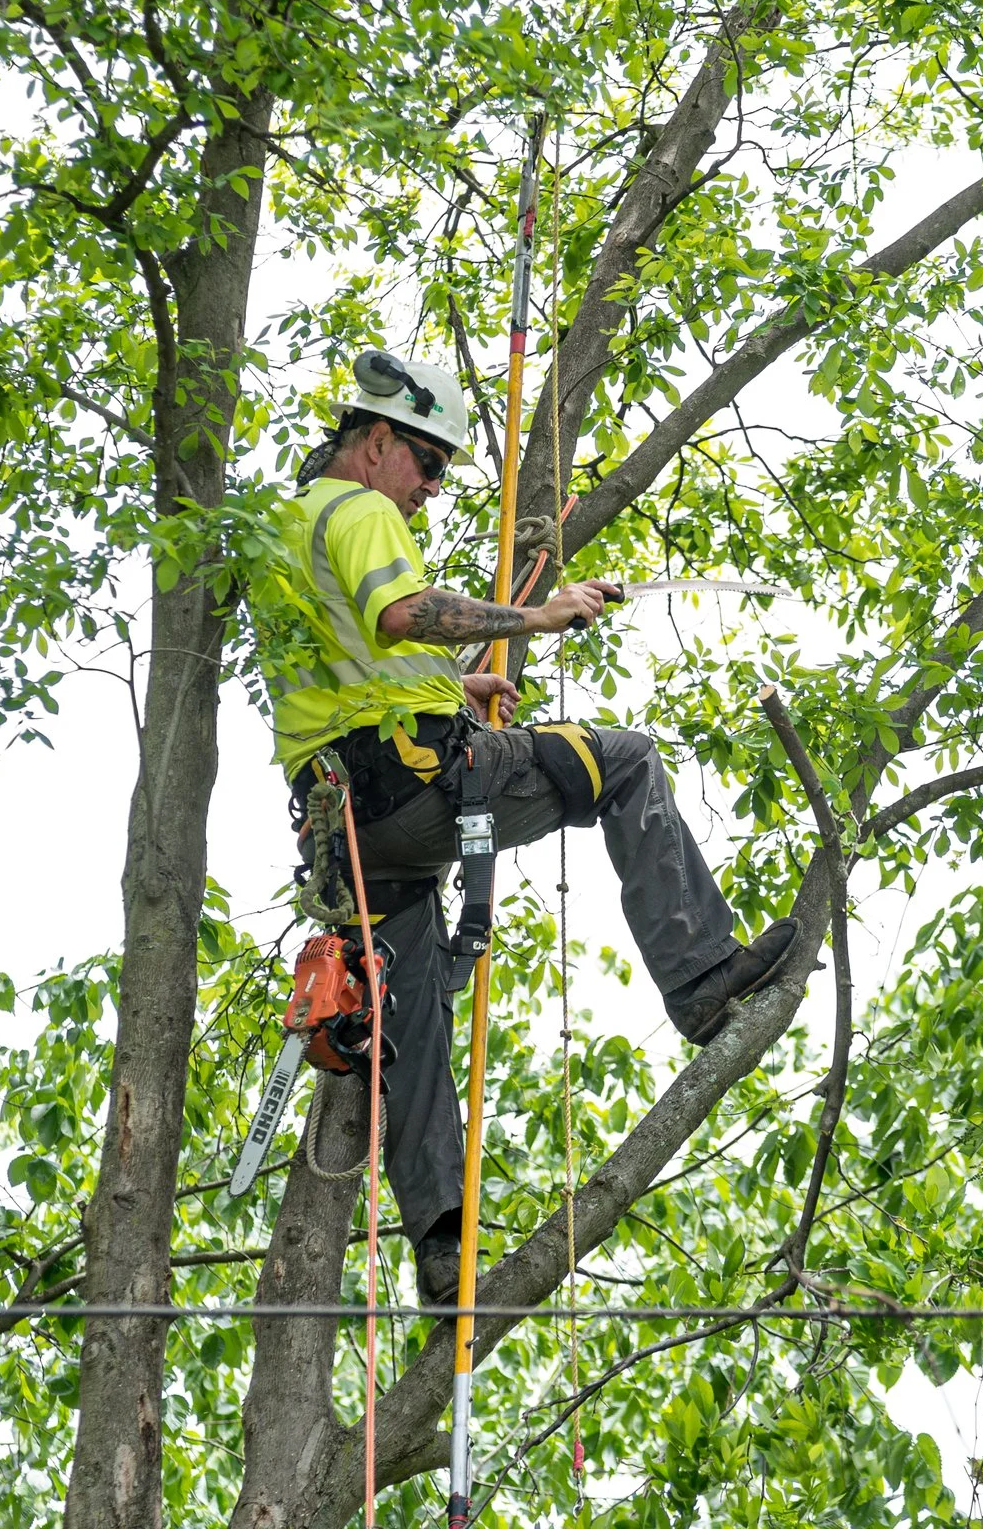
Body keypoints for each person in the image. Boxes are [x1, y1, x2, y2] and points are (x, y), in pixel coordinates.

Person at [259, 348, 801, 1306]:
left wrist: (449, 683)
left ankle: (439, 1243)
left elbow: (349, 660)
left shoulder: (282, 528)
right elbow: (404, 611)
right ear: (378, 441)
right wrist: (537, 615)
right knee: (624, 761)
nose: (429, 490)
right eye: (427, 465)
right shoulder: (361, 509)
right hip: (421, 784)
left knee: (413, 1014)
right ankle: (703, 980)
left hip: (342, 827)